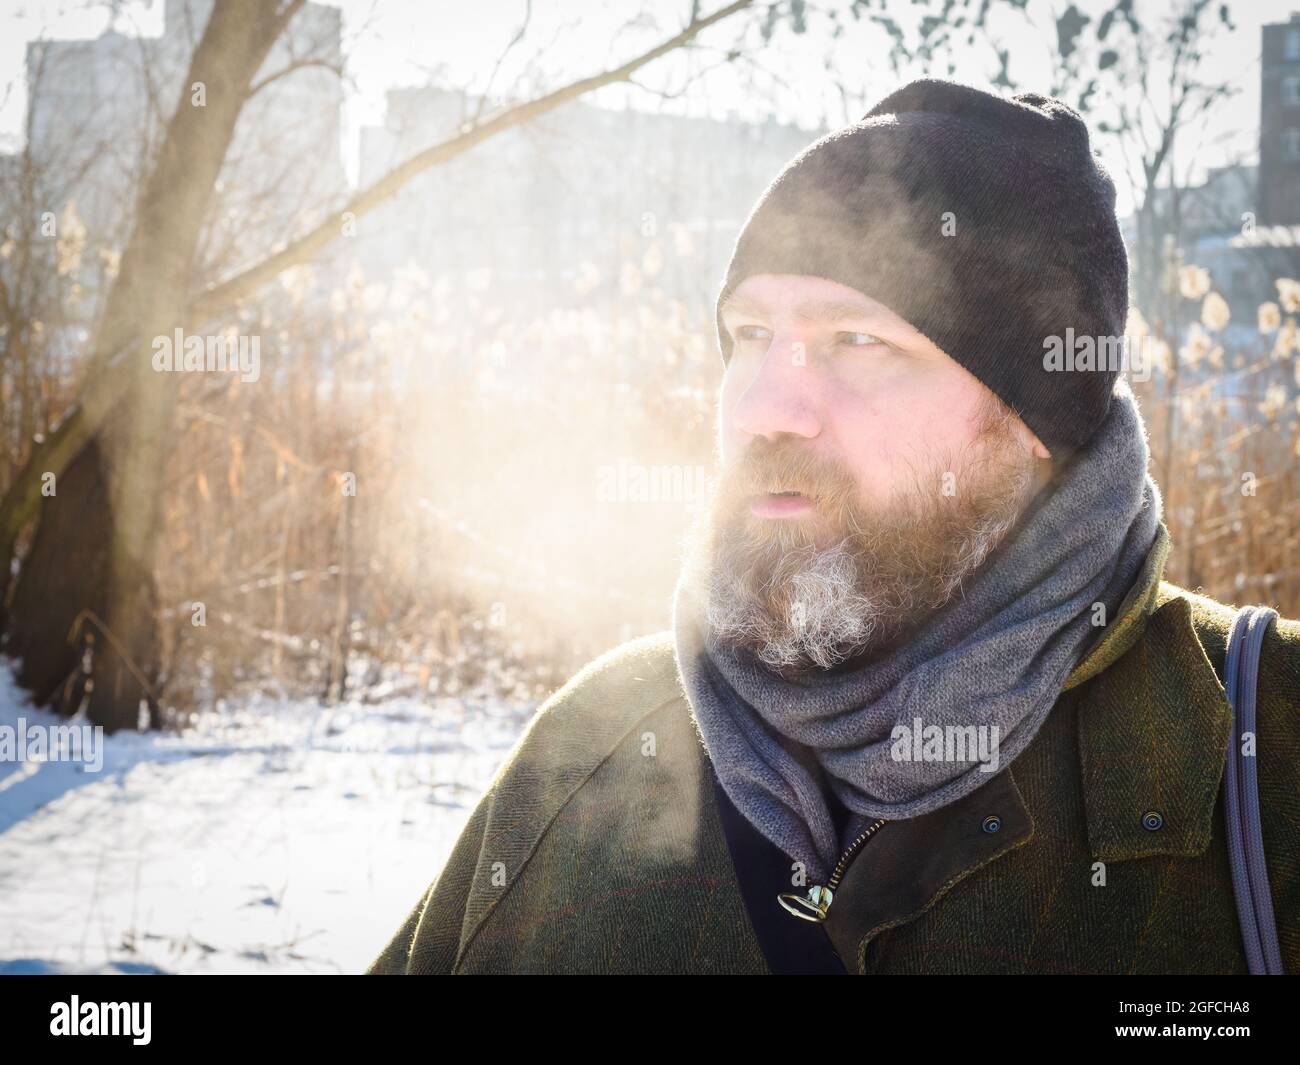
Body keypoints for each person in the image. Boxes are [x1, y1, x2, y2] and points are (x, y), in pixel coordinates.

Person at [367, 78, 1299, 975]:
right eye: (752, 337)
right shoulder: (596, 746)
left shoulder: (1264, 751)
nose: (768, 407)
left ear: (1035, 422)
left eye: (859, 340)